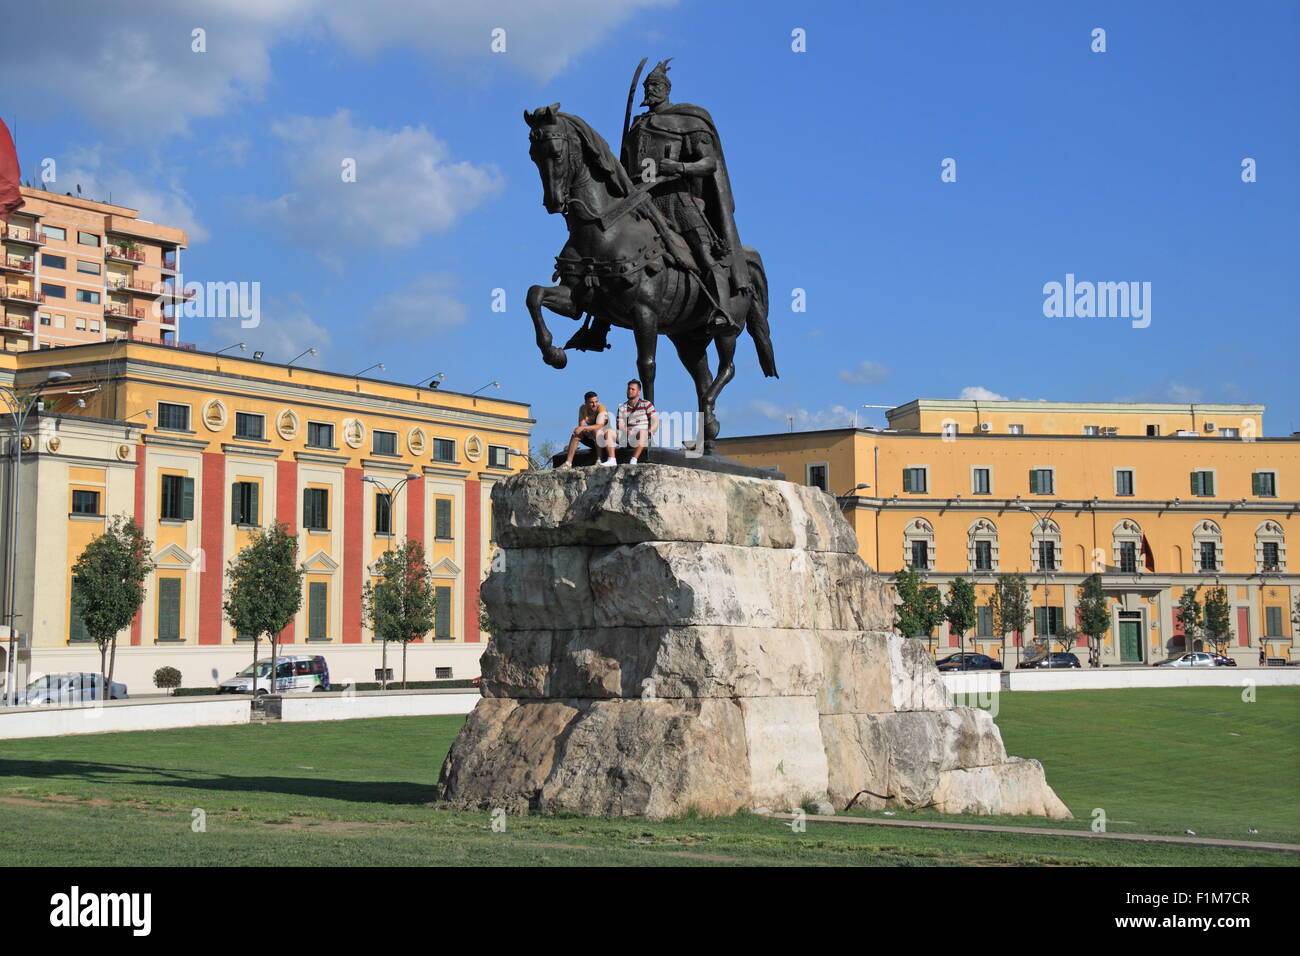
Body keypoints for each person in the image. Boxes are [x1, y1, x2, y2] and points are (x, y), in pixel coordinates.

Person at [560, 391, 616, 468]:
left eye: (596, 402)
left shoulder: (601, 407)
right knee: (577, 433)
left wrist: (585, 428)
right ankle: (568, 463)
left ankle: (599, 460)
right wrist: (584, 430)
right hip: (593, 438)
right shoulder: (582, 408)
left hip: (605, 440)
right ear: (586, 403)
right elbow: (581, 425)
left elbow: (600, 425)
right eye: (591, 402)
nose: (595, 404)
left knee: (596, 431)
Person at [616, 379, 658, 465]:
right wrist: (627, 431)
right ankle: (611, 459)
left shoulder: (646, 404)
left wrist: (649, 431)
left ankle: (634, 459)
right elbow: (619, 424)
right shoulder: (622, 407)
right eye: (628, 389)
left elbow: (655, 421)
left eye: (633, 389)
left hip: (642, 434)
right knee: (608, 433)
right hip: (628, 434)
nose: (630, 391)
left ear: (639, 391)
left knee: (642, 432)